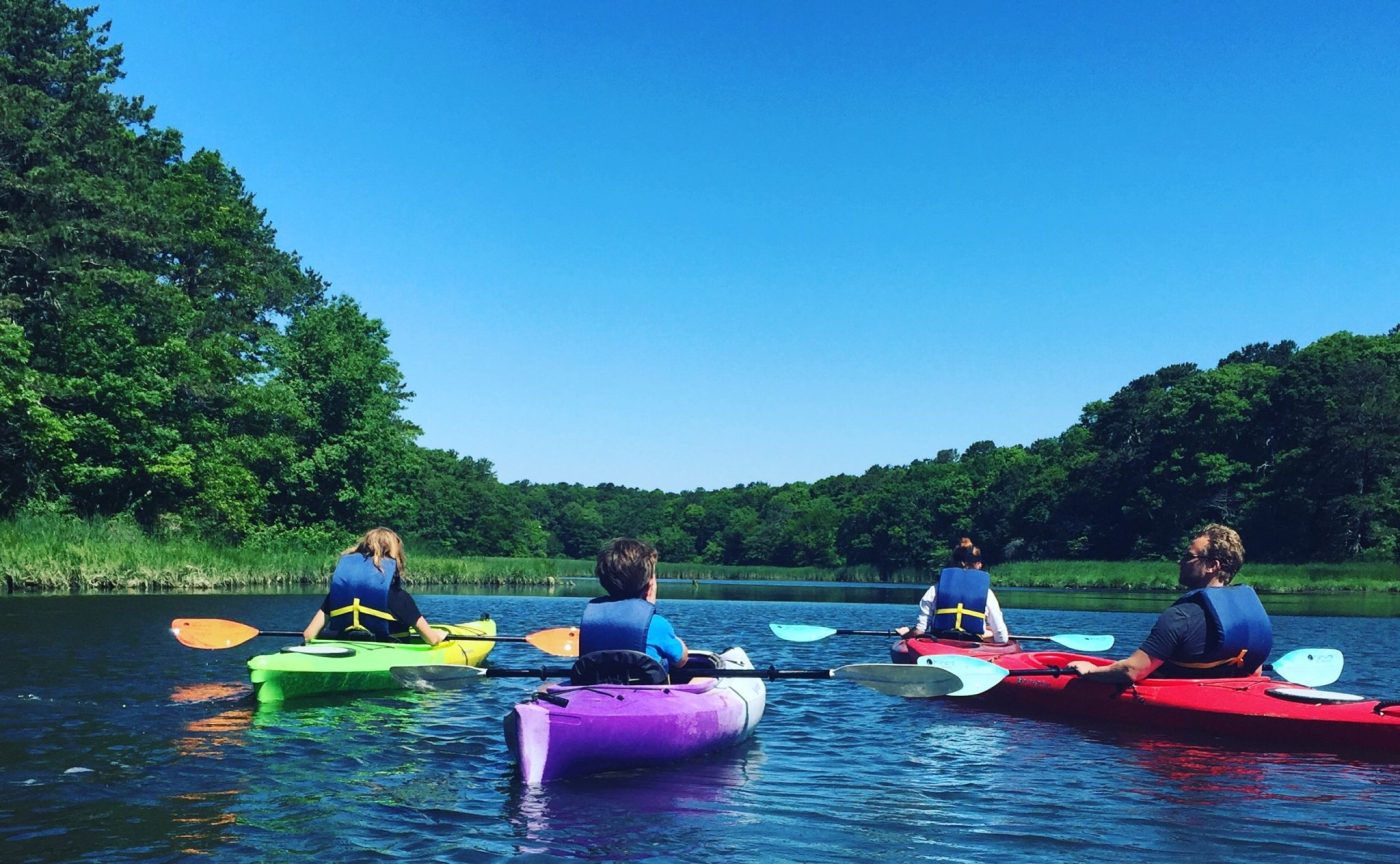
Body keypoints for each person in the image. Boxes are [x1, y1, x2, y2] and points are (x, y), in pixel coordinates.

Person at [1067, 524, 1272, 684]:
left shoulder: (1182, 615)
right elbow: (1254, 672)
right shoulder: (1250, 614)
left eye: (1189, 557)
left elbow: (1133, 671)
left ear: (1212, 565)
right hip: (1229, 694)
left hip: (1174, 696)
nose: (1180, 562)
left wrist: (1090, 671)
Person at [301, 527, 446, 645]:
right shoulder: (398, 597)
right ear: (395, 559)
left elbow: (308, 635)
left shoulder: (337, 594)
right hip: (390, 656)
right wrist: (439, 635)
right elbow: (431, 640)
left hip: (348, 653)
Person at [578, 538, 688, 673]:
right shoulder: (657, 625)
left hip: (596, 689)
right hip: (645, 692)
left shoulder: (592, 622)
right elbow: (681, 660)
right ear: (649, 585)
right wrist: (646, 609)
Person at [896, 541, 1010, 644]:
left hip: (940, 643)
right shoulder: (987, 594)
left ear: (953, 563)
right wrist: (986, 635)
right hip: (973, 647)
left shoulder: (934, 590)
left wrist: (906, 634)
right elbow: (1002, 638)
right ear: (978, 565)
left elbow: (919, 631)